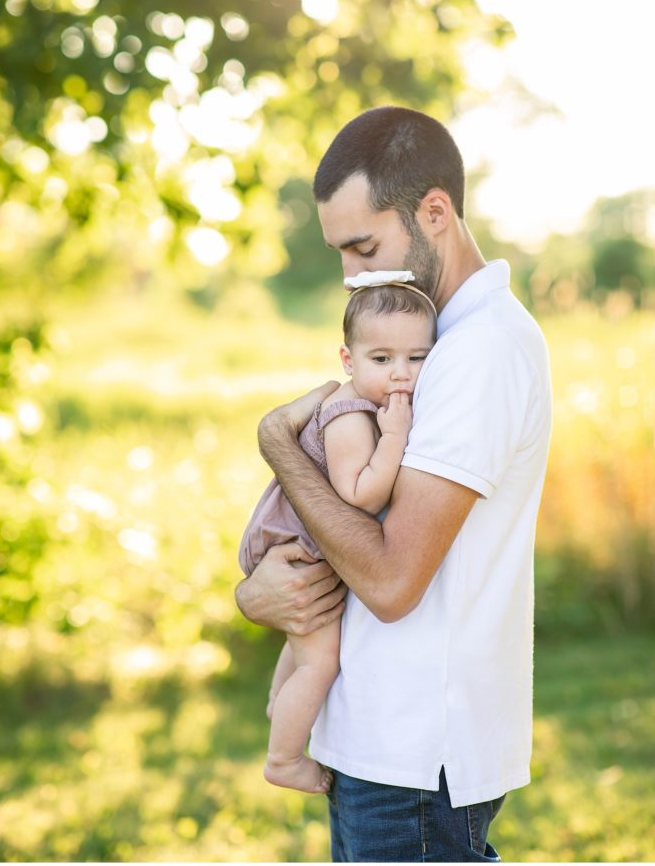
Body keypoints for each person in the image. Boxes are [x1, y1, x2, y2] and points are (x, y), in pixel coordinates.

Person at [235, 106, 552, 863]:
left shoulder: (477, 353)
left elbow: (387, 580)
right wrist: (258, 593)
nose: (351, 275)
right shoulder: (422, 347)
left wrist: (278, 443)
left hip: (416, 759)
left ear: (433, 212)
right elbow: (345, 545)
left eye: (363, 245)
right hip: (378, 745)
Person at [239, 277, 437, 794]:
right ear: (348, 361)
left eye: (417, 358)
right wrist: (395, 436)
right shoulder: (351, 416)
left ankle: (278, 702)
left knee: (304, 645)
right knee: (320, 660)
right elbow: (360, 497)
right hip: (301, 551)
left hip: (301, 540)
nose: (401, 374)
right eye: (382, 359)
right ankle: (282, 759)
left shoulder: (368, 401)